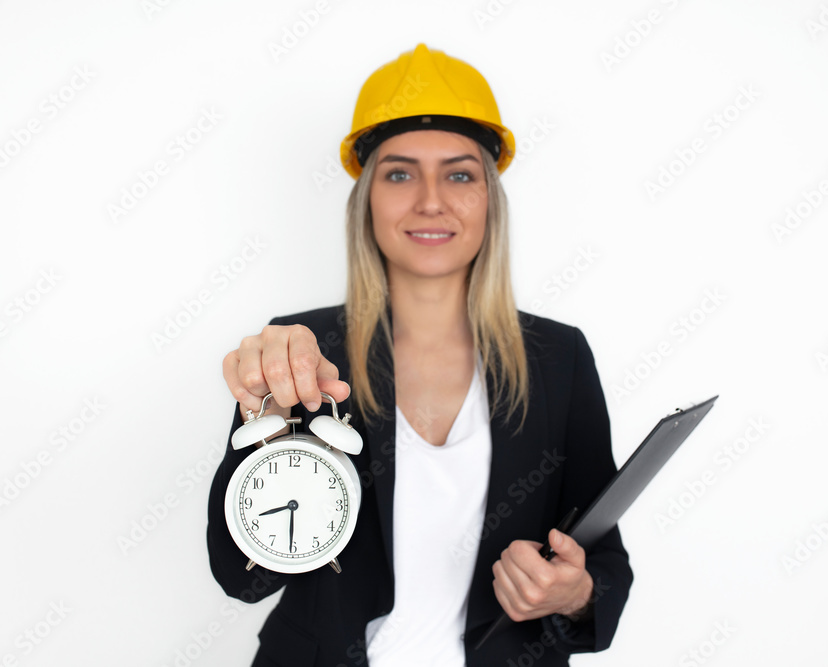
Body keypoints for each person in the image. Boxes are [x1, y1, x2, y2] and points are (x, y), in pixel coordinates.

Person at [206, 42, 632, 667]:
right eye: (400, 173)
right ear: (367, 201)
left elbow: (603, 564)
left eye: (459, 174)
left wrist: (574, 593)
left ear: (489, 197)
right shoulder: (302, 350)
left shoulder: (558, 358)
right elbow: (243, 579)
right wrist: (266, 420)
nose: (430, 200)